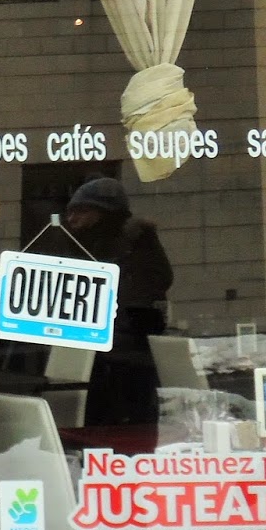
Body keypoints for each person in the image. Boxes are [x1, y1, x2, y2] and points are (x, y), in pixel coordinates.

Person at [60, 177, 174, 427]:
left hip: (123, 357)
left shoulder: (132, 248)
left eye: (81, 211)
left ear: (103, 214)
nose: (71, 219)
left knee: (125, 425)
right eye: (70, 212)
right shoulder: (88, 247)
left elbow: (139, 300)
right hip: (101, 355)